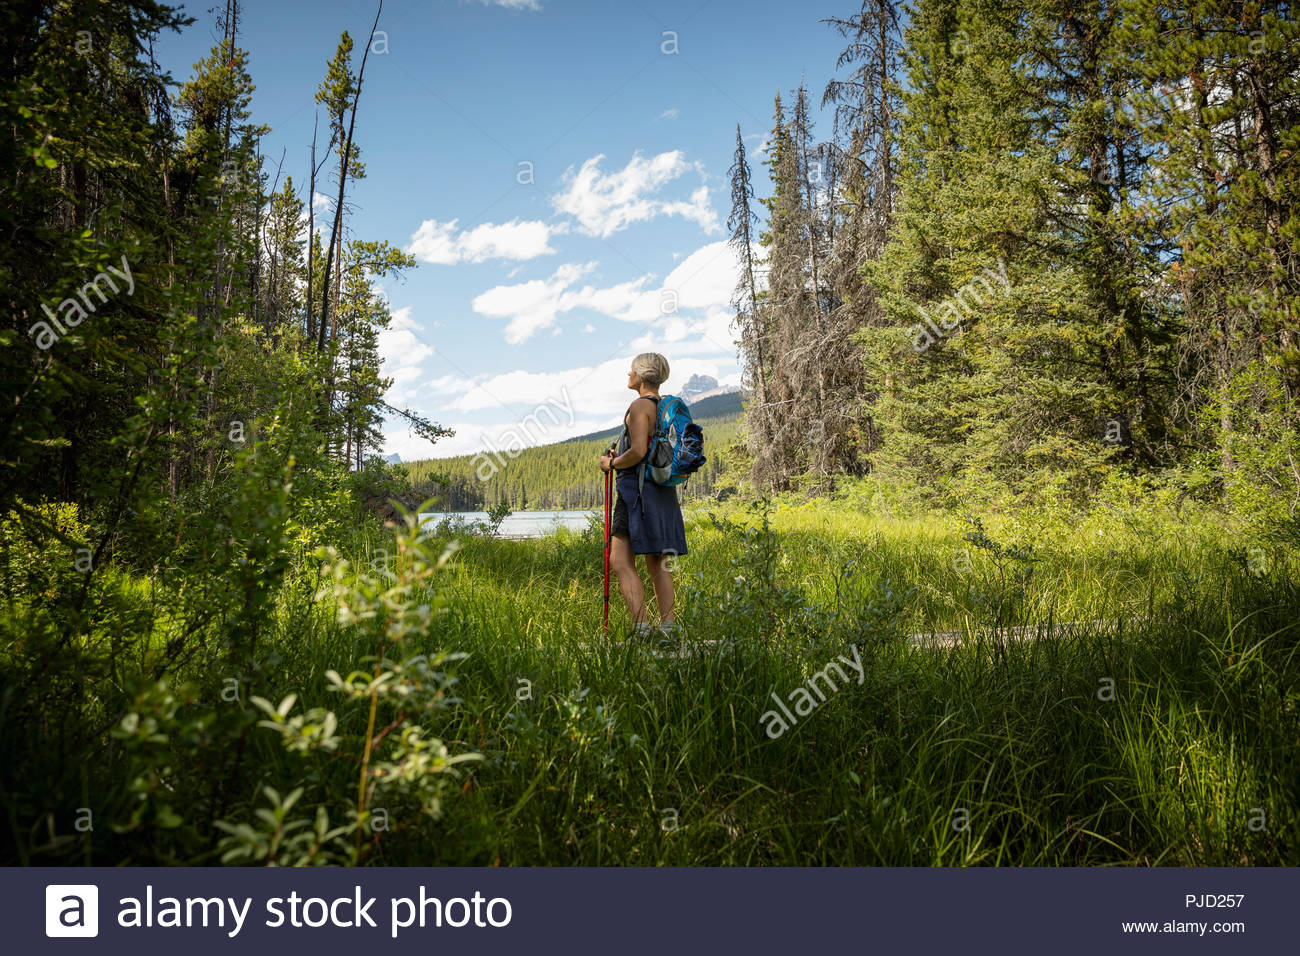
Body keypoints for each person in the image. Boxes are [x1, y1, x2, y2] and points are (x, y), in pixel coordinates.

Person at [599, 352, 688, 640]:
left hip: (635, 493)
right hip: (661, 491)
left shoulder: (639, 406)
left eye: (632, 371)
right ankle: (669, 629)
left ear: (641, 375)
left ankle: (641, 631)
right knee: (657, 563)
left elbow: (638, 452)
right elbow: (646, 447)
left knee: (620, 561)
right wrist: (621, 454)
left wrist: (611, 463)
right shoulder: (663, 407)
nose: (628, 374)